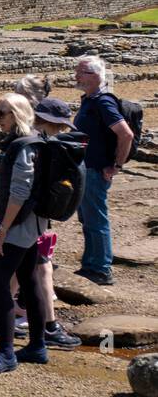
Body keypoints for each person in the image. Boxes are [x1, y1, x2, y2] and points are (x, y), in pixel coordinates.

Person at [0, 94, 52, 373]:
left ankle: (6, 353)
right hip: (32, 224)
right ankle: (37, 345)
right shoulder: (27, 142)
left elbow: (20, 192)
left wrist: (4, 227)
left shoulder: (23, 147)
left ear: (17, 114)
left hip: (19, 224)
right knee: (29, 280)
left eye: (2, 113)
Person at [26, 98, 84, 349]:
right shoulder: (36, 146)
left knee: (28, 266)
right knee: (42, 267)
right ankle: (49, 326)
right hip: (30, 217)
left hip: (31, 218)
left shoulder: (37, 143)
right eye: (59, 126)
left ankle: (3, 316)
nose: (62, 131)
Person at [73, 55, 134, 286]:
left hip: (95, 170)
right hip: (86, 169)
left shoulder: (103, 102)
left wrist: (116, 166)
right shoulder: (90, 100)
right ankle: (91, 264)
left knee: (96, 220)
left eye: (81, 72)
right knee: (88, 219)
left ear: (96, 75)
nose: (76, 76)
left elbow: (126, 134)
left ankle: (100, 268)